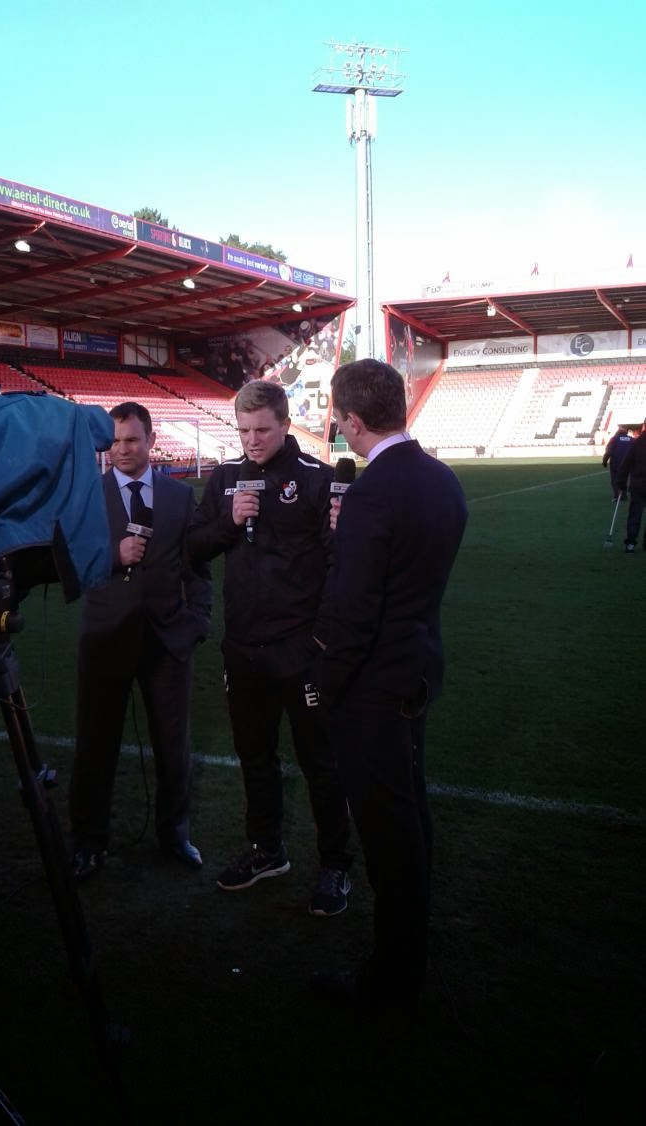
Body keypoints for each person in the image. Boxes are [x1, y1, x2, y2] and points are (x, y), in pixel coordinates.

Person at [311, 359, 467, 1017]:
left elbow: (353, 611)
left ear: (350, 421)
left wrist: (323, 685)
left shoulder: (375, 493)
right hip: (418, 668)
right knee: (411, 818)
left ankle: (392, 977)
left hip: (375, 686)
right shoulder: (442, 480)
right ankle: (407, 957)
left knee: (388, 832)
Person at [187, 380, 352, 917]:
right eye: (243, 430)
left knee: (319, 762)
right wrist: (229, 524)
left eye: (262, 430)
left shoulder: (317, 481)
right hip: (243, 649)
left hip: (301, 651)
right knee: (254, 757)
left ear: (285, 425)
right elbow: (194, 547)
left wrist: (321, 638)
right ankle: (267, 851)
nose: (252, 440)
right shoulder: (226, 479)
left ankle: (335, 865)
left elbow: (340, 565)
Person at [68, 402, 212, 878]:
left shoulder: (177, 496)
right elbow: (67, 560)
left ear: (151, 441)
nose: (122, 449)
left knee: (173, 746)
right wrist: (115, 554)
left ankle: (175, 834)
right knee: (96, 746)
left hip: (167, 641)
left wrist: (196, 624)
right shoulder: (88, 495)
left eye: (132, 440)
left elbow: (196, 568)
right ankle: (89, 842)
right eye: (115, 441)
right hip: (107, 637)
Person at [617, 420, 646, 552]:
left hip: (638, 485)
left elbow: (625, 465)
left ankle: (631, 544)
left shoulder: (636, 443)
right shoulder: (636, 443)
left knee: (635, 515)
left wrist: (621, 484)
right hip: (639, 484)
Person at [602, 424, 634, 501]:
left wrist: (605, 461)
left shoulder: (614, 439)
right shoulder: (631, 439)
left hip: (616, 463)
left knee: (615, 480)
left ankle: (617, 496)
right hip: (628, 464)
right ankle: (624, 495)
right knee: (625, 479)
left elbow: (608, 452)